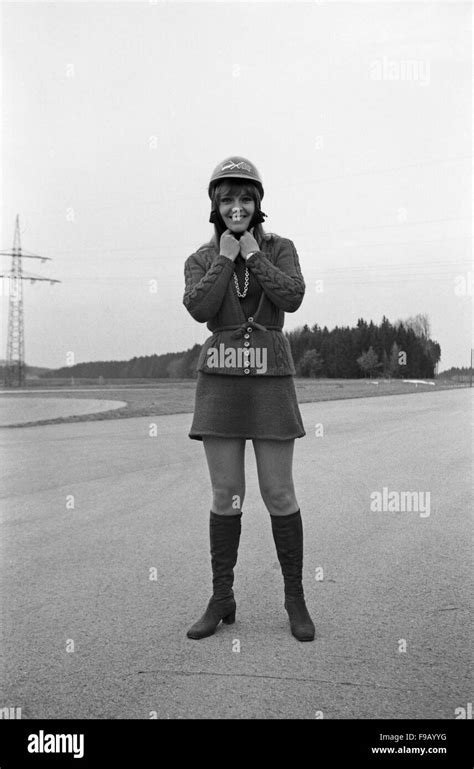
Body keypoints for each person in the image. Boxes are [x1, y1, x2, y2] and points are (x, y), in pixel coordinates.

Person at [182, 156, 315, 642]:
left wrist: (254, 255)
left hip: (270, 379)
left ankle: (295, 599)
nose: (236, 206)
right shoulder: (200, 257)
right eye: (227, 199)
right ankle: (222, 598)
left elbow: (293, 297)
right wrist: (224, 256)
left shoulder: (281, 249)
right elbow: (199, 308)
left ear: (258, 203)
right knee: (226, 494)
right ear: (215, 206)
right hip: (220, 384)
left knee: (278, 492)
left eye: (245, 197)